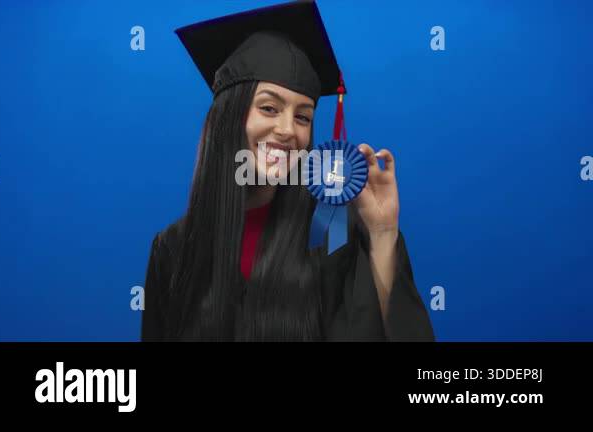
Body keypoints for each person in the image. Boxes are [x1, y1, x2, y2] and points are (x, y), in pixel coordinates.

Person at [141, 0, 434, 341]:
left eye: (303, 117)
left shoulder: (332, 234)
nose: (287, 130)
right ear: (228, 118)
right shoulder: (174, 249)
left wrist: (382, 233)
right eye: (268, 107)